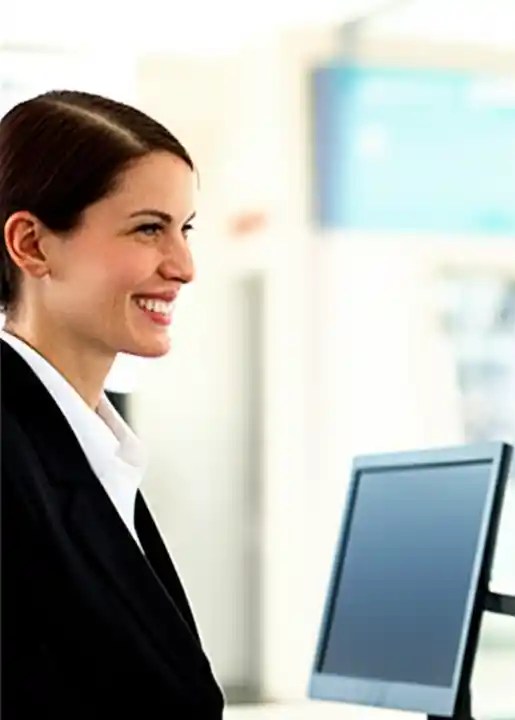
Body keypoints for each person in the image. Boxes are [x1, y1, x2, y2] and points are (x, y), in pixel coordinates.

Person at [1, 91, 224, 715]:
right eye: (149, 228)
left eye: (185, 229)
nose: (183, 266)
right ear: (33, 245)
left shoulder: (90, 450)